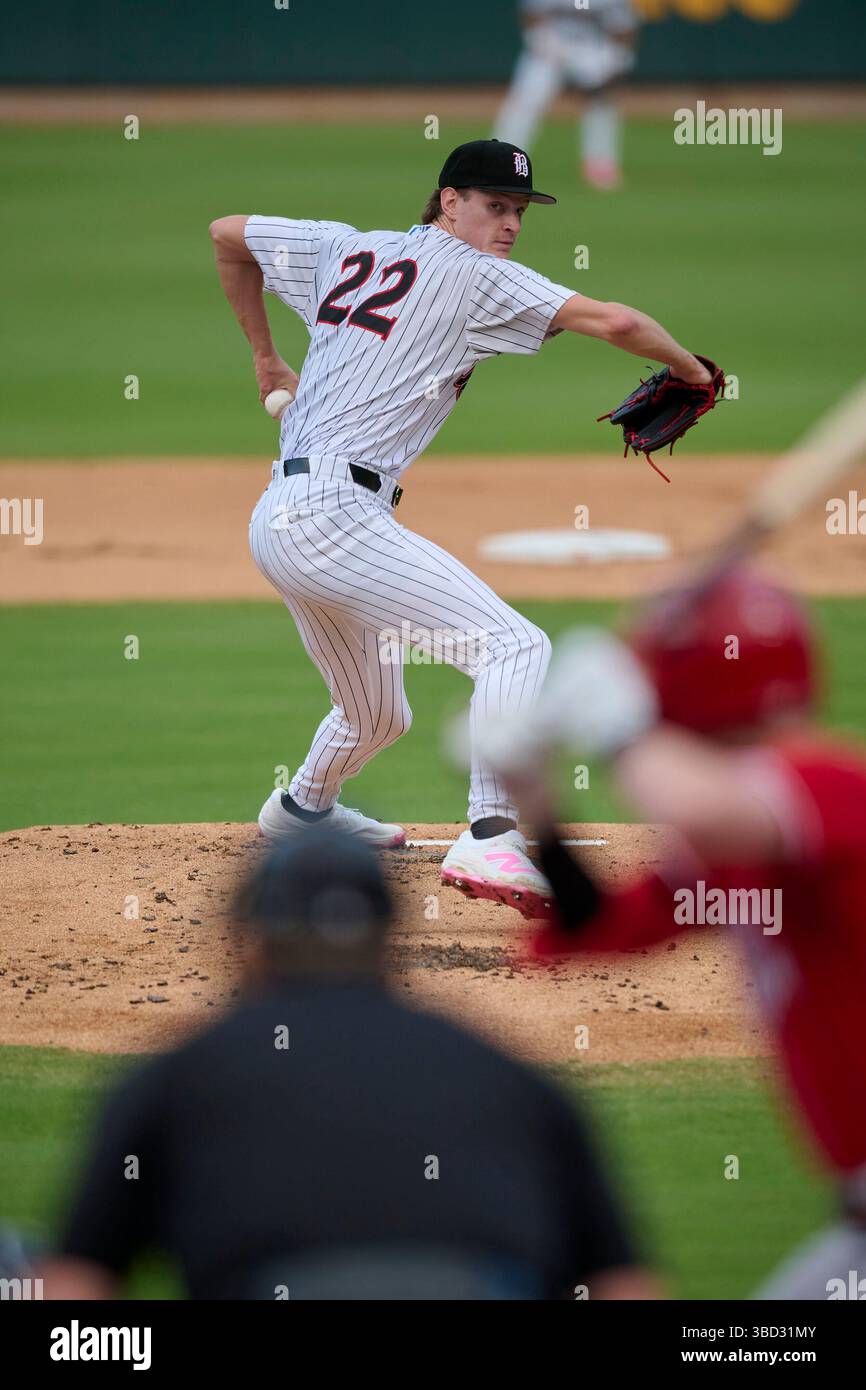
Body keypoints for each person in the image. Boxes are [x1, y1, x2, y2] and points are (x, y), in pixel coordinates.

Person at [208, 137, 712, 921]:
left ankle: (302, 809)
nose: (509, 224)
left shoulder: (343, 247)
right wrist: (693, 371)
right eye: (492, 206)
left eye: (518, 211)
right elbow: (615, 320)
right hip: (332, 517)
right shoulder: (477, 276)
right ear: (449, 202)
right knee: (515, 646)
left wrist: (265, 359)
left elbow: (226, 233)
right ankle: (489, 832)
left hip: (280, 520)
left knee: (378, 716)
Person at [39, 828, 652, 1301]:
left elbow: (76, 1293)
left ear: (249, 940)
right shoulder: (517, 1080)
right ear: (391, 939)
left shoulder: (173, 1081)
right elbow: (626, 1285)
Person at [474, 568, 866, 1298]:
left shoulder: (830, 790)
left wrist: (622, 731)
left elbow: (715, 811)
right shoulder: (739, 853)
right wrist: (538, 803)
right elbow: (599, 929)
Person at [495, 0, 639, 190]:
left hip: (591, 50)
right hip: (549, 47)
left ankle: (601, 165)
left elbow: (624, 28)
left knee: (602, 103)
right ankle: (500, 162)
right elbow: (531, 15)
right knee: (526, 101)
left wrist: (616, 61)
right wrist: (542, 41)